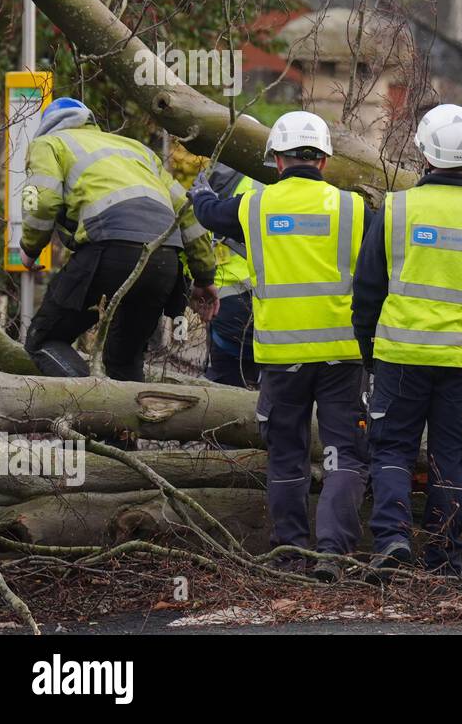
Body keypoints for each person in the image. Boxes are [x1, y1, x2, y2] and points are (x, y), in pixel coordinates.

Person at [190, 111, 372, 581]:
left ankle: (291, 552)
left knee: (287, 456)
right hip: (342, 357)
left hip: (281, 358)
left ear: (276, 159)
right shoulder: (354, 209)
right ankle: (332, 554)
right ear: (326, 161)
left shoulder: (254, 205)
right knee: (343, 455)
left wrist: (200, 190)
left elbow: (209, 212)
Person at [352, 103, 462, 578]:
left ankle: (391, 541)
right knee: (450, 460)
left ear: (423, 156)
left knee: (391, 451)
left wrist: (370, 353)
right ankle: (443, 560)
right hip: (461, 365)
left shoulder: (395, 209)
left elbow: (366, 292)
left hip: (399, 359)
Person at [21, 97, 218, 380]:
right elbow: (187, 213)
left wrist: (30, 247)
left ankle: (89, 406)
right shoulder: (135, 149)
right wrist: (204, 278)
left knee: (45, 340)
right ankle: (126, 424)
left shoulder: (50, 144)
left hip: (111, 249)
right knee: (124, 362)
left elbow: (41, 201)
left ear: (46, 128)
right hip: (164, 260)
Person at [203, 163, 264, 387]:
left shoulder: (210, 185)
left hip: (224, 304)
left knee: (226, 386)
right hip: (277, 301)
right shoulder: (275, 182)